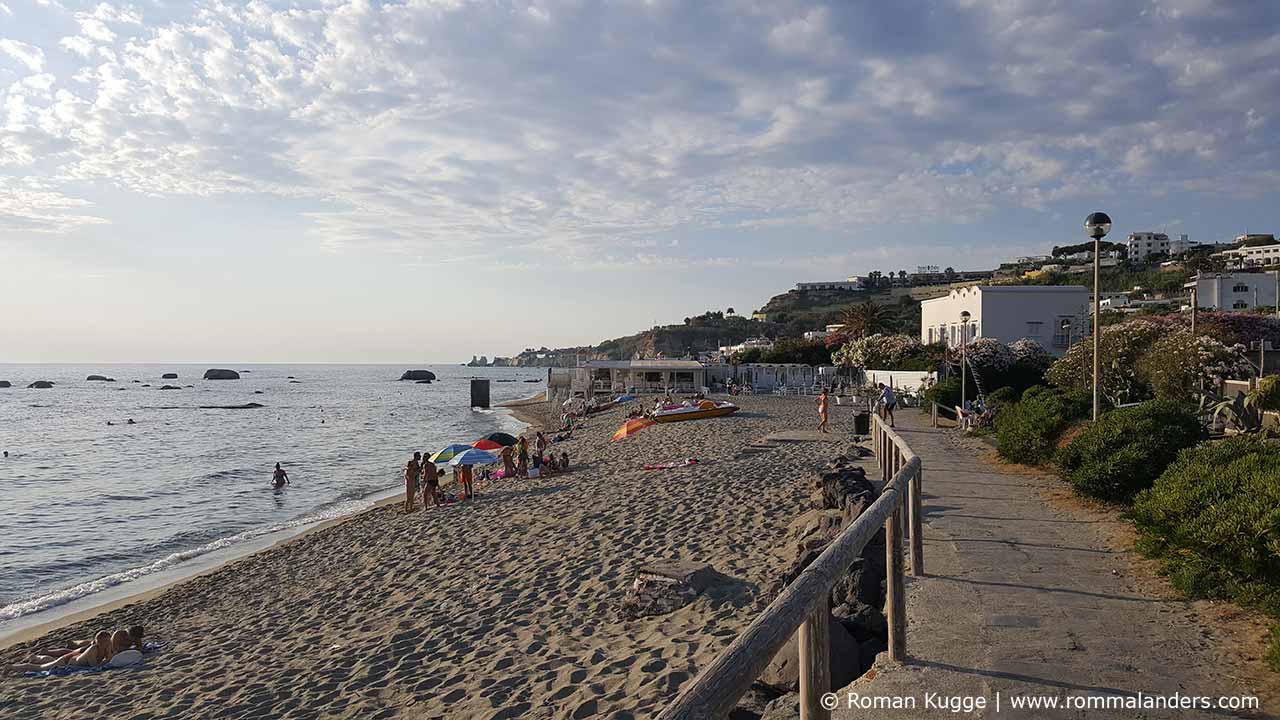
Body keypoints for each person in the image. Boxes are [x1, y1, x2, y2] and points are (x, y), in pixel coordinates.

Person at [12, 631, 113, 673]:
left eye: (109, 641)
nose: (109, 643)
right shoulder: (93, 649)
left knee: (50, 661)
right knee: (38, 668)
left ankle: (36, 658)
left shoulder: (105, 648)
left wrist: (108, 656)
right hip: (66, 661)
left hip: (73, 658)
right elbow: (94, 667)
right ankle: (11, 667)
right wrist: (108, 659)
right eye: (106, 641)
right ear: (99, 642)